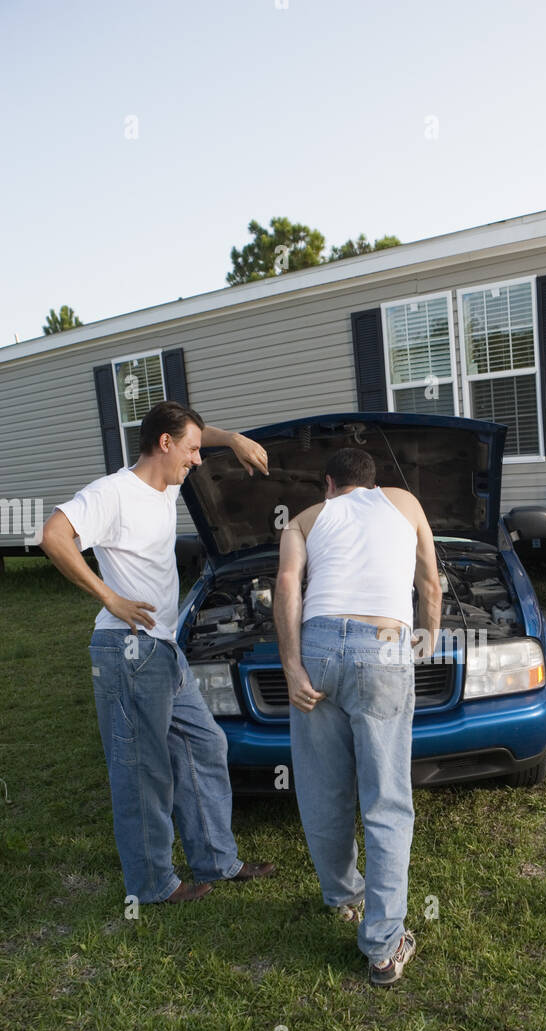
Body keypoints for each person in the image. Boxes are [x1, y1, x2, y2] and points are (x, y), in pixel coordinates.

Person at [40, 400, 277, 904]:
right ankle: (152, 885)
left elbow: (195, 433)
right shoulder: (113, 493)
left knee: (205, 745)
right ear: (164, 444)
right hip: (127, 651)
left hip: (164, 650)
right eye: (191, 450)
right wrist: (110, 597)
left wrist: (231, 438)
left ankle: (215, 859)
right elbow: (53, 535)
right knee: (142, 770)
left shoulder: (165, 485)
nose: (197, 459)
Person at [274, 446, 441, 987]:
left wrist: (292, 665)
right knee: (386, 798)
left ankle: (345, 895)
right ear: (374, 483)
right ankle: (383, 946)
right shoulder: (406, 503)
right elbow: (430, 582)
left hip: (319, 645)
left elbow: (286, 588)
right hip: (385, 643)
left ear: (329, 483)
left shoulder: (304, 519)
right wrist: (430, 634)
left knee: (324, 789)